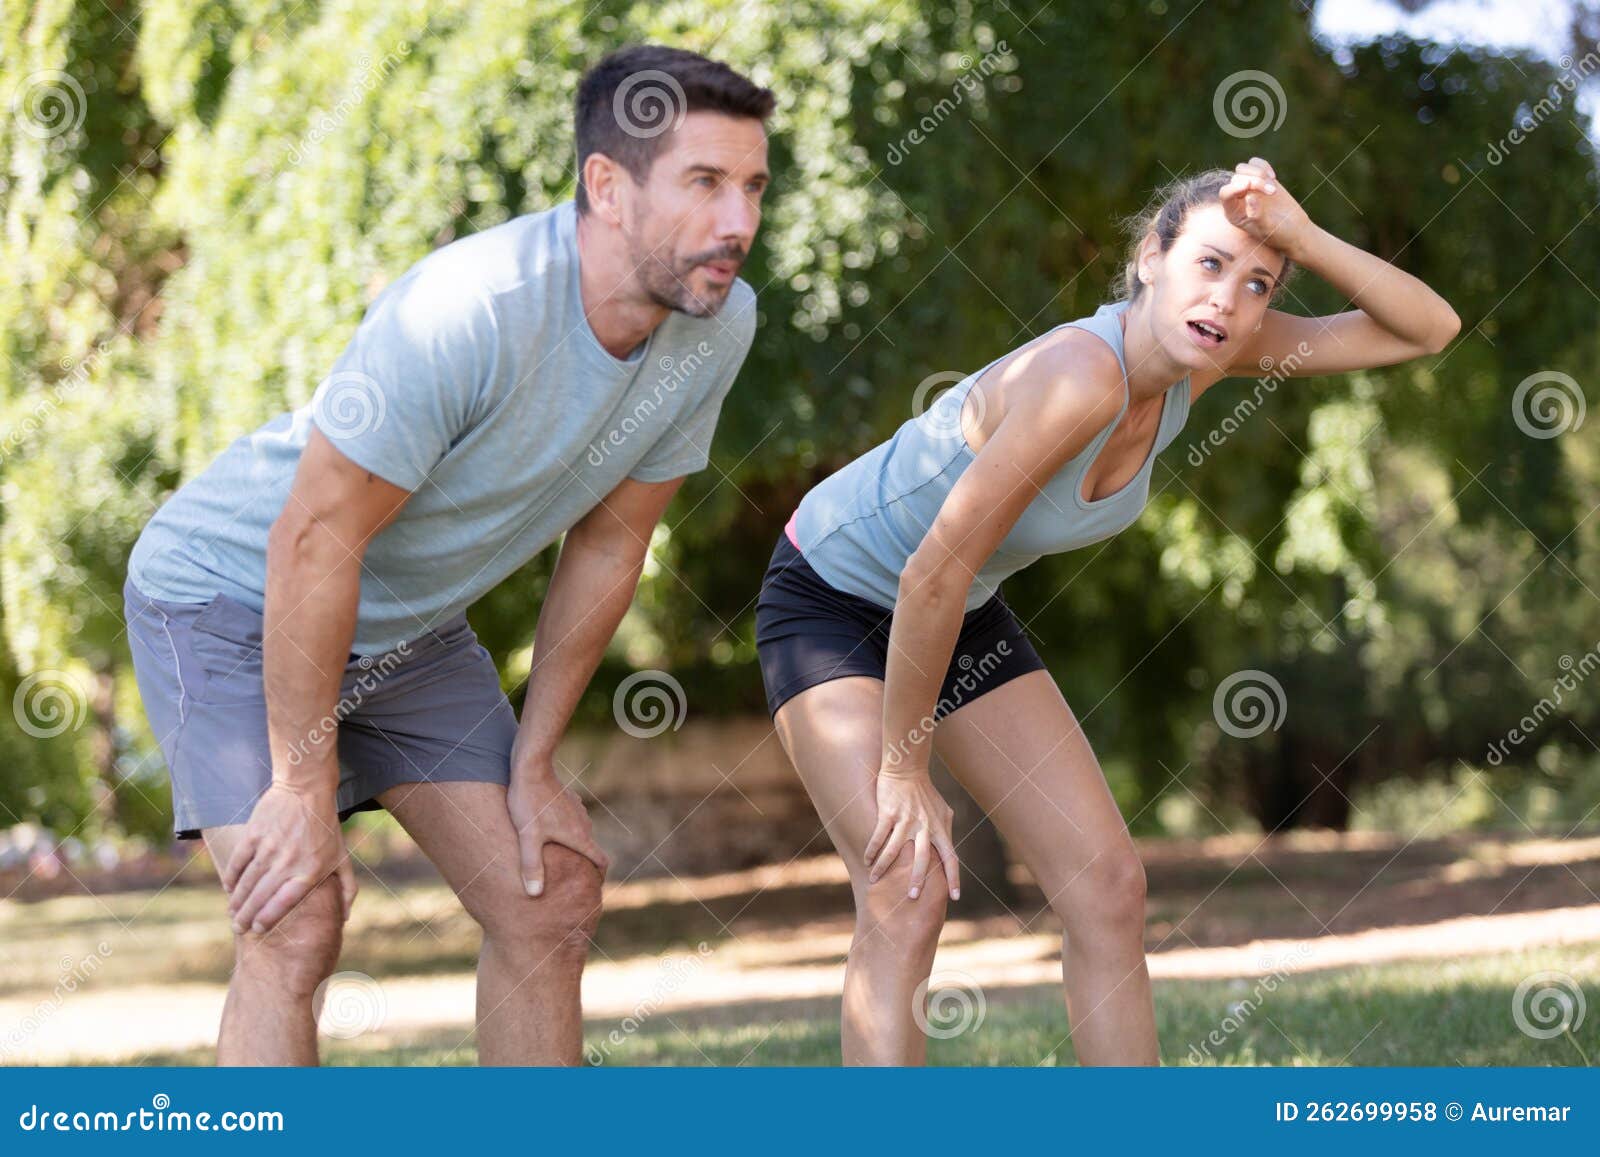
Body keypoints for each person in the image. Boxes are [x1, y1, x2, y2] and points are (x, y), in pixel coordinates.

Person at [122, 44, 774, 1066]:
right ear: (607, 187)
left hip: (403, 624)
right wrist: (299, 784)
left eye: (753, 187)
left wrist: (536, 760)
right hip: (231, 595)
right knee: (294, 913)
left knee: (549, 892)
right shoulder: (469, 309)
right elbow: (313, 538)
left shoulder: (717, 323)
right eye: (704, 183)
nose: (737, 221)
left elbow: (612, 543)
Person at [755, 157, 1460, 1065]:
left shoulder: (1211, 353)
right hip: (831, 596)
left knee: (1107, 887)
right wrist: (903, 764)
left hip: (958, 609)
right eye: (1210, 263)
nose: (1228, 299)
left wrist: (1305, 237)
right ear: (1149, 260)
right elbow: (931, 569)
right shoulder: (1080, 376)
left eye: (1258, 283)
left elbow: (1427, 328)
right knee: (906, 885)